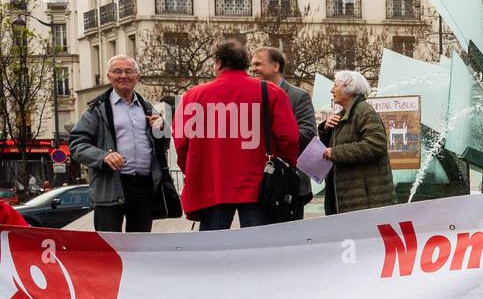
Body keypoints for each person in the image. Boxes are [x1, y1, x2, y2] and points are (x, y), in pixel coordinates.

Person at [173, 40, 300, 231]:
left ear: (218, 63)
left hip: (211, 184)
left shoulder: (193, 96)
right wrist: (284, 168)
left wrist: (191, 171)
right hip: (259, 184)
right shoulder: (271, 92)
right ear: (245, 63)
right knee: (257, 249)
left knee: (213, 249)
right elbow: (289, 139)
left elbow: (181, 144)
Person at [68, 54, 179, 233]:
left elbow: (163, 145)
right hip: (110, 186)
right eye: (117, 71)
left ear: (137, 76)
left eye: (129, 71)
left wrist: (162, 129)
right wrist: (103, 156)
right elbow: (76, 144)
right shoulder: (97, 109)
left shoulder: (147, 106)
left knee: (139, 246)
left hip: (143, 187)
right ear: (109, 76)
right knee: (109, 248)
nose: (123, 76)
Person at [251, 45, 317, 220]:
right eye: (252, 64)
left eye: (258, 64)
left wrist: (275, 140)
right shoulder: (251, 96)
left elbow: (308, 133)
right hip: (258, 184)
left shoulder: (298, 96)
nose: (253, 69)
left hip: (288, 182)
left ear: (276, 66)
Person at [319, 71, 397, 215]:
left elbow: (375, 145)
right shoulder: (343, 115)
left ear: (348, 87)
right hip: (350, 200)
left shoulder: (364, 111)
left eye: (335, 85)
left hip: (366, 202)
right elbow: (330, 148)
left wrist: (335, 153)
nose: (331, 90)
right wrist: (325, 129)